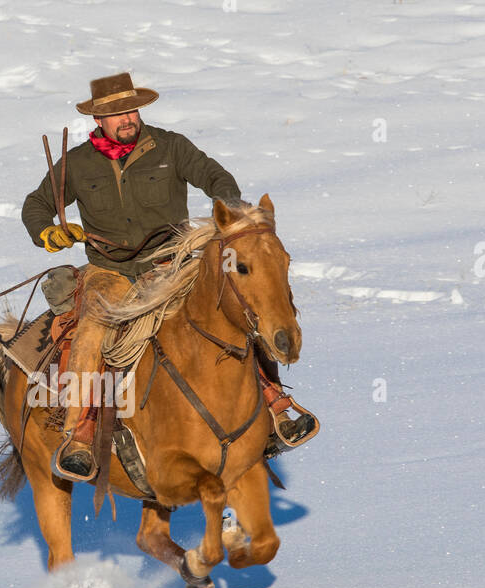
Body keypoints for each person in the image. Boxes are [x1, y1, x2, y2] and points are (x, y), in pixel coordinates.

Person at [21, 72, 314, 482]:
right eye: (116, 113)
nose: (127, 118)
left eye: (131, 108)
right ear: (98, 120)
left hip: (170, 266)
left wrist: (230, 211)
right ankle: (82, 432)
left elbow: (216, 177)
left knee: (232, 309)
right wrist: (49, 233)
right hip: (112, 273)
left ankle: (273, 401)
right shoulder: (78, 163)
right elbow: (35, 206)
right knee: (90, 333)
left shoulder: (171, 147)